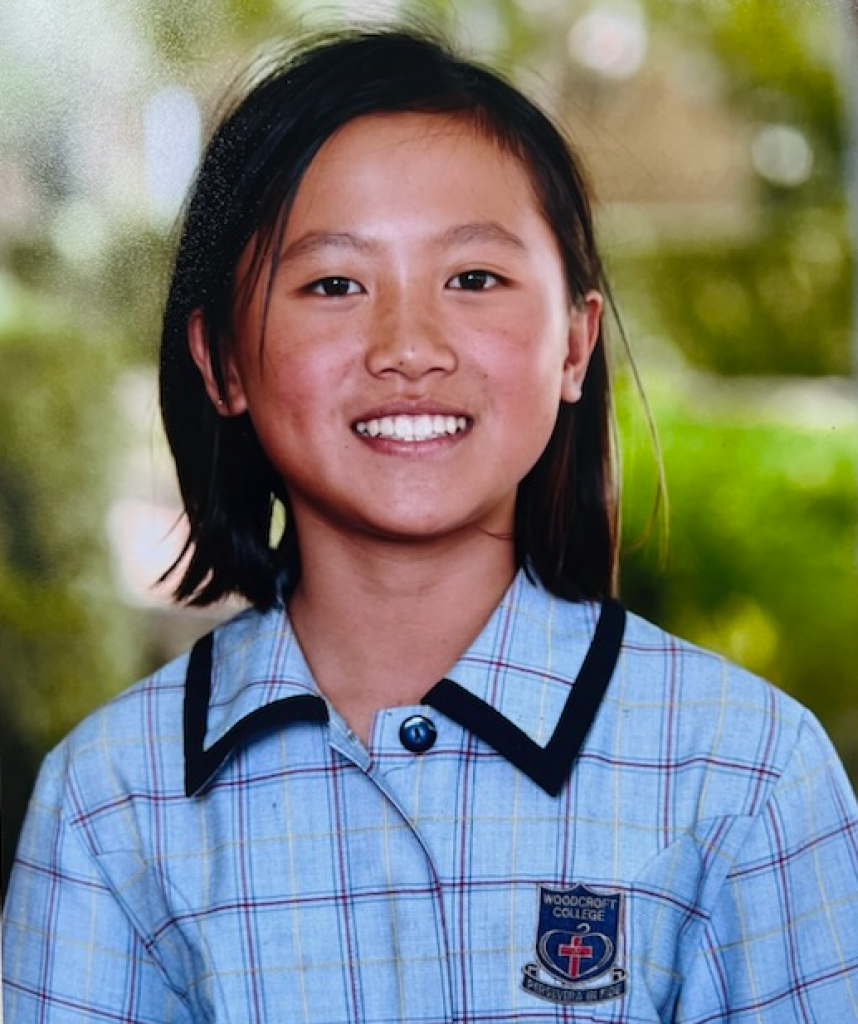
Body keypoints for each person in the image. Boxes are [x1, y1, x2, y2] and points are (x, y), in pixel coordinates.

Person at [4, 26, 858, 1024]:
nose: (407, 346)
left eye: (473, 279)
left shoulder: (750, 774)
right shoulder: (110, 803)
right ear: (222, 362)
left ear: (575, 345)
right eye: (333, 284)